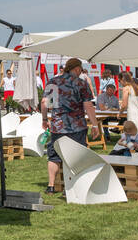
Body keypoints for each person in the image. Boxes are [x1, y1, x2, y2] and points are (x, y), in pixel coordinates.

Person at [41, 57, 98, 195]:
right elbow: (88, 106)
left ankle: (51, 186)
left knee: (54, 156)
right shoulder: (81, 83)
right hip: (76, 126)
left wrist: (44, 119)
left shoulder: (53, 82)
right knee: (76, 156)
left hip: (57, 126)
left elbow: (44, 103)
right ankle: (70, 187)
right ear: (77, 68)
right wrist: (95, 125)